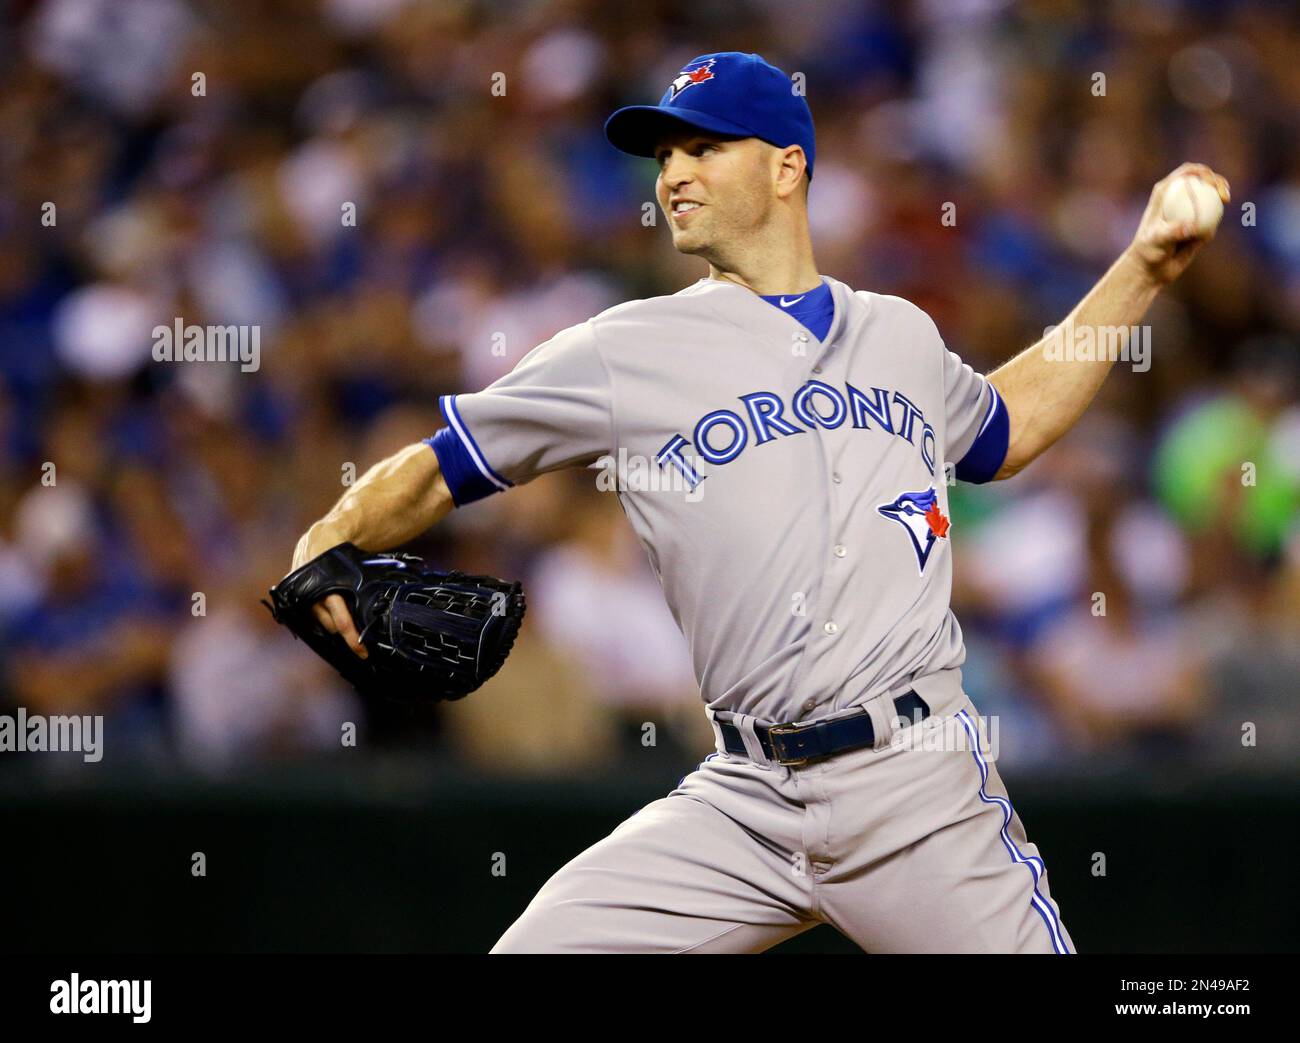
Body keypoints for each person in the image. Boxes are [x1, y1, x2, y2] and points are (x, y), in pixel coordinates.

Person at [290, 52, 1228, 953]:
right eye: (664, 157)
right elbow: (440, 464)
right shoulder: (624, 349)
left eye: (703, 148)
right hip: (743, 796)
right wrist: (328, 535)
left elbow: (1008, 425)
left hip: (916, 789)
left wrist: (1142, 266)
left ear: (787, 168)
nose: (673, 176)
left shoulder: (898, 334)